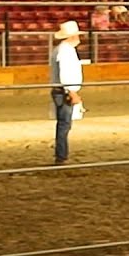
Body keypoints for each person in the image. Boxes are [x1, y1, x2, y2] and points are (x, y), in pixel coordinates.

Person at [49, 20, 84, 165]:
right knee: (64, 124)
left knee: (63, 123)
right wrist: (71, 91)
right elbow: (66, 72)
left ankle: (61, 154)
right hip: (64, 91)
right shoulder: (65, 51)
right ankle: (61, 155)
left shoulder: (62, 49)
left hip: (62, 90)